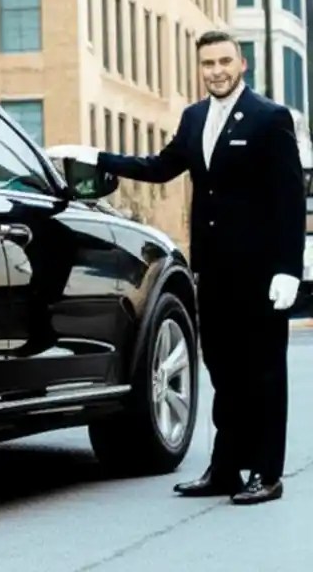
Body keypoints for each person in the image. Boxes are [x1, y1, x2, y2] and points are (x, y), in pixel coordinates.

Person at [55, 29, 304, 505]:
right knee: (224, 373)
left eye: (225, 62)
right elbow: (161, 166)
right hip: (213, 273)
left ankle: (267, 474)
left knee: (265, 374)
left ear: (242, 64)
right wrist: (98, 158)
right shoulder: (193, 119)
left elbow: (289, 199)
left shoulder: (270, 119)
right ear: (200, 68)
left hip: (262, 274)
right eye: (208, 63)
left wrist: (288, 269)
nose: (217, 71)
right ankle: (226, 469)